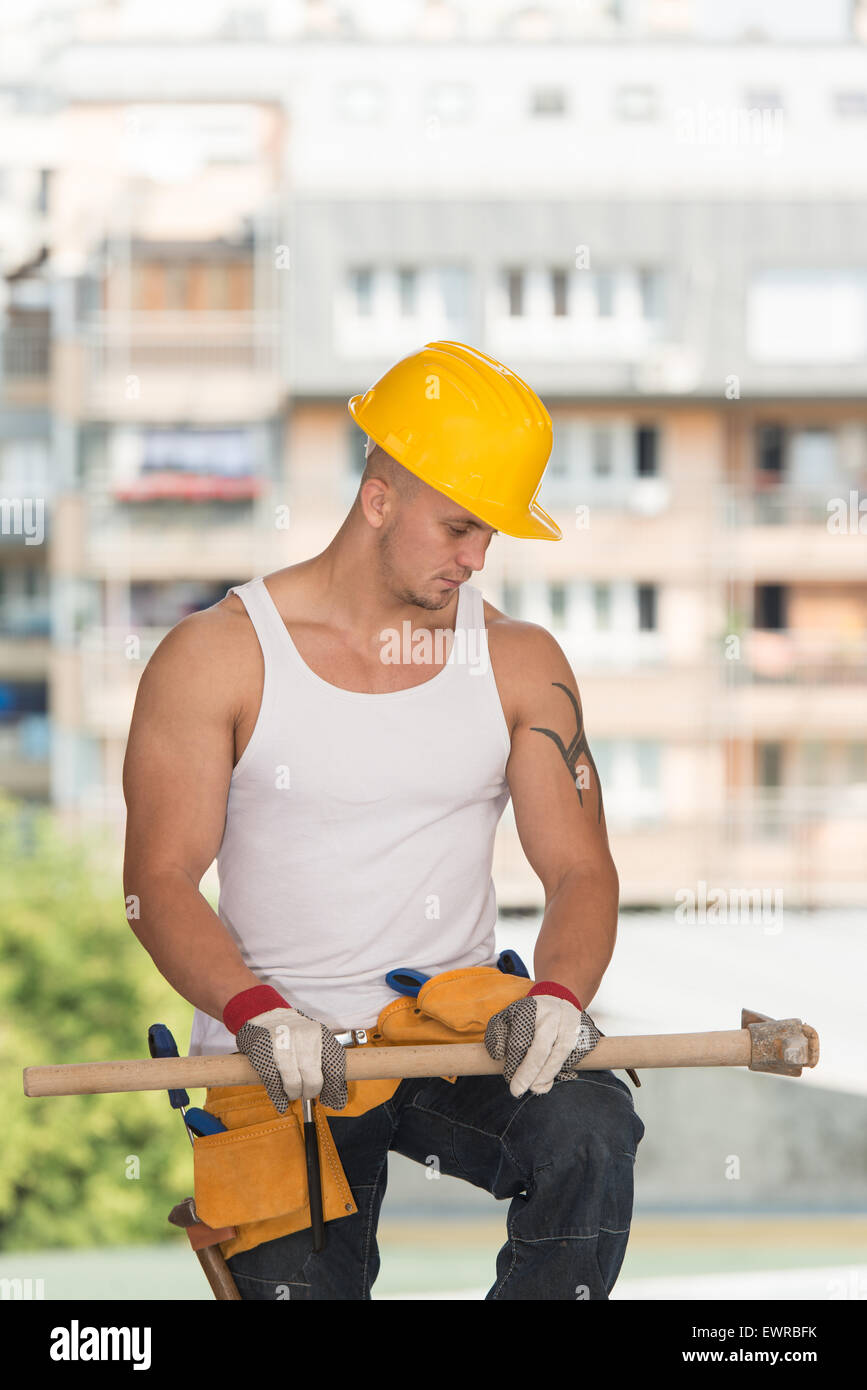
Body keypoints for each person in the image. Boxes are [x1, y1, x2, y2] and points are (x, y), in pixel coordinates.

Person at [122, 340, 645, 1300]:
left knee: (588, 1130)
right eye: (457, 528)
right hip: (279, 1055)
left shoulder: (520, 662)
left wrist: (561, 997)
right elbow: (155, 883)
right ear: (378, 500)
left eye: (489, 533)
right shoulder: (216, 655)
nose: (476, 558)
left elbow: (580, 869)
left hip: (450, 1031)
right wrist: (254, 1015)